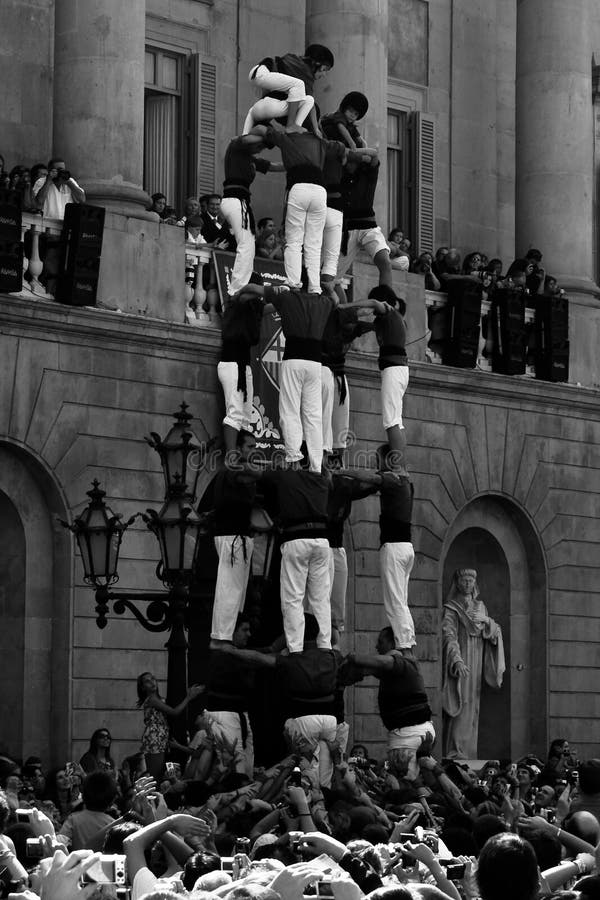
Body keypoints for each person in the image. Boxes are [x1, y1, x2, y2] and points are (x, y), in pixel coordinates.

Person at [233, 280, 336, 472]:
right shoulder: (324, 302)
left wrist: (237, 294)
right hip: (315, 362)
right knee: (313, 415)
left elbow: (253, 289)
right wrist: (329, 287)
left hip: (294, 359)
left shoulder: (287, 296)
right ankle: (315, 466)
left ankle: (294, 458)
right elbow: (336, 300)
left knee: (289, 411)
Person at [254, 122, 347, 294]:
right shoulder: (320, 141)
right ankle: (315, 287)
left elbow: (261, 129)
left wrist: (246, 135)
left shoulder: (288, 137)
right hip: (320, 191)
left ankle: (294, 283)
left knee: (294, 241)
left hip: (299, 188)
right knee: (314, 243)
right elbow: (342, 148)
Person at [341, 443, 416, 650]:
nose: (376, 463)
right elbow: (373, 485)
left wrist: (342, 470)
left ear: (389, 460)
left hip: (394, 547)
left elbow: (371, 478)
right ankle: (408, 640)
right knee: (401, 600)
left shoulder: (392, 478)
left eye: (378, 458)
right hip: (406, 547)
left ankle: (404, 645)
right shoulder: (406, 481)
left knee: (394, 602)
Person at [342, 626, 434, 781]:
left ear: (393, 643)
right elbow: (364, 671)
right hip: (409, 731)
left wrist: (353, 656)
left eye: (381, 642)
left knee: (405, 782)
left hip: (408, 733)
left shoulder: (402, 663)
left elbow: (383, 662)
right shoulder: (395, 667)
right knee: (412, 778)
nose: (377, 646)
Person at [259, 464, 332, 652]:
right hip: (322, 541)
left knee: (293, 599)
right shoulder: (322, 479)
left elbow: (261, 475)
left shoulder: (285, 476)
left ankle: (295, 649)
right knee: (321, 599)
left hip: (296, 538)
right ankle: (325, 646)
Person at [441, 568, 505, 759]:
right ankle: (456, 751)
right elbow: (448, 635)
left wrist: (487, 621)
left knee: (473, 706)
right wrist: (456, 659)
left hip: (477, 658)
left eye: (471, 580)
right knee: (462, 701)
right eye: (464, 580)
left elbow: (493, 632)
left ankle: (469, 752)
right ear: (458, 582)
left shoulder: (481, 606)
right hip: (462, 660)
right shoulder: (451, 608)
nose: (468, 583)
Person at [219, 132, 283, 296]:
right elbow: (246, 139)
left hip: (238, 202)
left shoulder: (251, 159)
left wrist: (298, 163)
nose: (259, 149)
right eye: (259, 146)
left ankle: (240, 284)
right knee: (246, 245)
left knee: (248, 243)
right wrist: (268, 135)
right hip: (236, 200)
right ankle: (237, 288)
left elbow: (274, 166)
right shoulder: (237, 147)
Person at [210, 431, 258, 645]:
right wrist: (275, 474)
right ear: (237, 448)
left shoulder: (230, 471)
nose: (254, 451)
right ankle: (222, 638)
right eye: (250, 446)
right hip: (233, 539)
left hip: (235, 537)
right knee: (230, 589)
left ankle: (226, 636)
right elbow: (246, 474)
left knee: (235, 590)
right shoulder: (233, 469)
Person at [203, 615, 256, 777]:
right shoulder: (222, 657)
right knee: (234, 770)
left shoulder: (234, 655)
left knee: (245, 769)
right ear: (231, 631)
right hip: (225, 714)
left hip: (237, 714)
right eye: (244, 630)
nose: (249, 634)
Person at [243, 44, 334, 135]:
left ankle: (244, 136)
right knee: (299, 85)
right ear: (316, 63)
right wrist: (316, 129)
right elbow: (311, 105)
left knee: (255, 113)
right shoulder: (303, 71)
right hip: (261, 74)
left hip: (259, 75)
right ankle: (291, 125)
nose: (324, 74)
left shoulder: (295, 61)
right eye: (324, 69)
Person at [217, 289, 264, 455]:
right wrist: (267, 291)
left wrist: (281, 298)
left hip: (242, 366)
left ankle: (241, 453)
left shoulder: (252, 308)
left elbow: (268, 307)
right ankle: (231, 454)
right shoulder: (238, 304)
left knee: (245, 417)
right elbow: (243, 297)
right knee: (235, 413)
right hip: (232, 365)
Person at [336, 154, 393, 291]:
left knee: (385, 262)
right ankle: (343, 312)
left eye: (352, 161)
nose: (348, 164)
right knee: (335, 279)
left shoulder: (368, 172)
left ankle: (386, 300)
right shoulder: (339, 173)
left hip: (368, 226)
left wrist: (350, 150)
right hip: (347, 229)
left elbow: (373, 155)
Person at [136, 672, 203, 779]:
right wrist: (189, 697)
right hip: (154, 740)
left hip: (161, 739)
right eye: (147, 681)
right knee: (155, 776)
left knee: (164, 774)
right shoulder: (152, 700)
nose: (152, 682)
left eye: (153, 678)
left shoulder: (158, 699)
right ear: (143, 688)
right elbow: (174, 712)